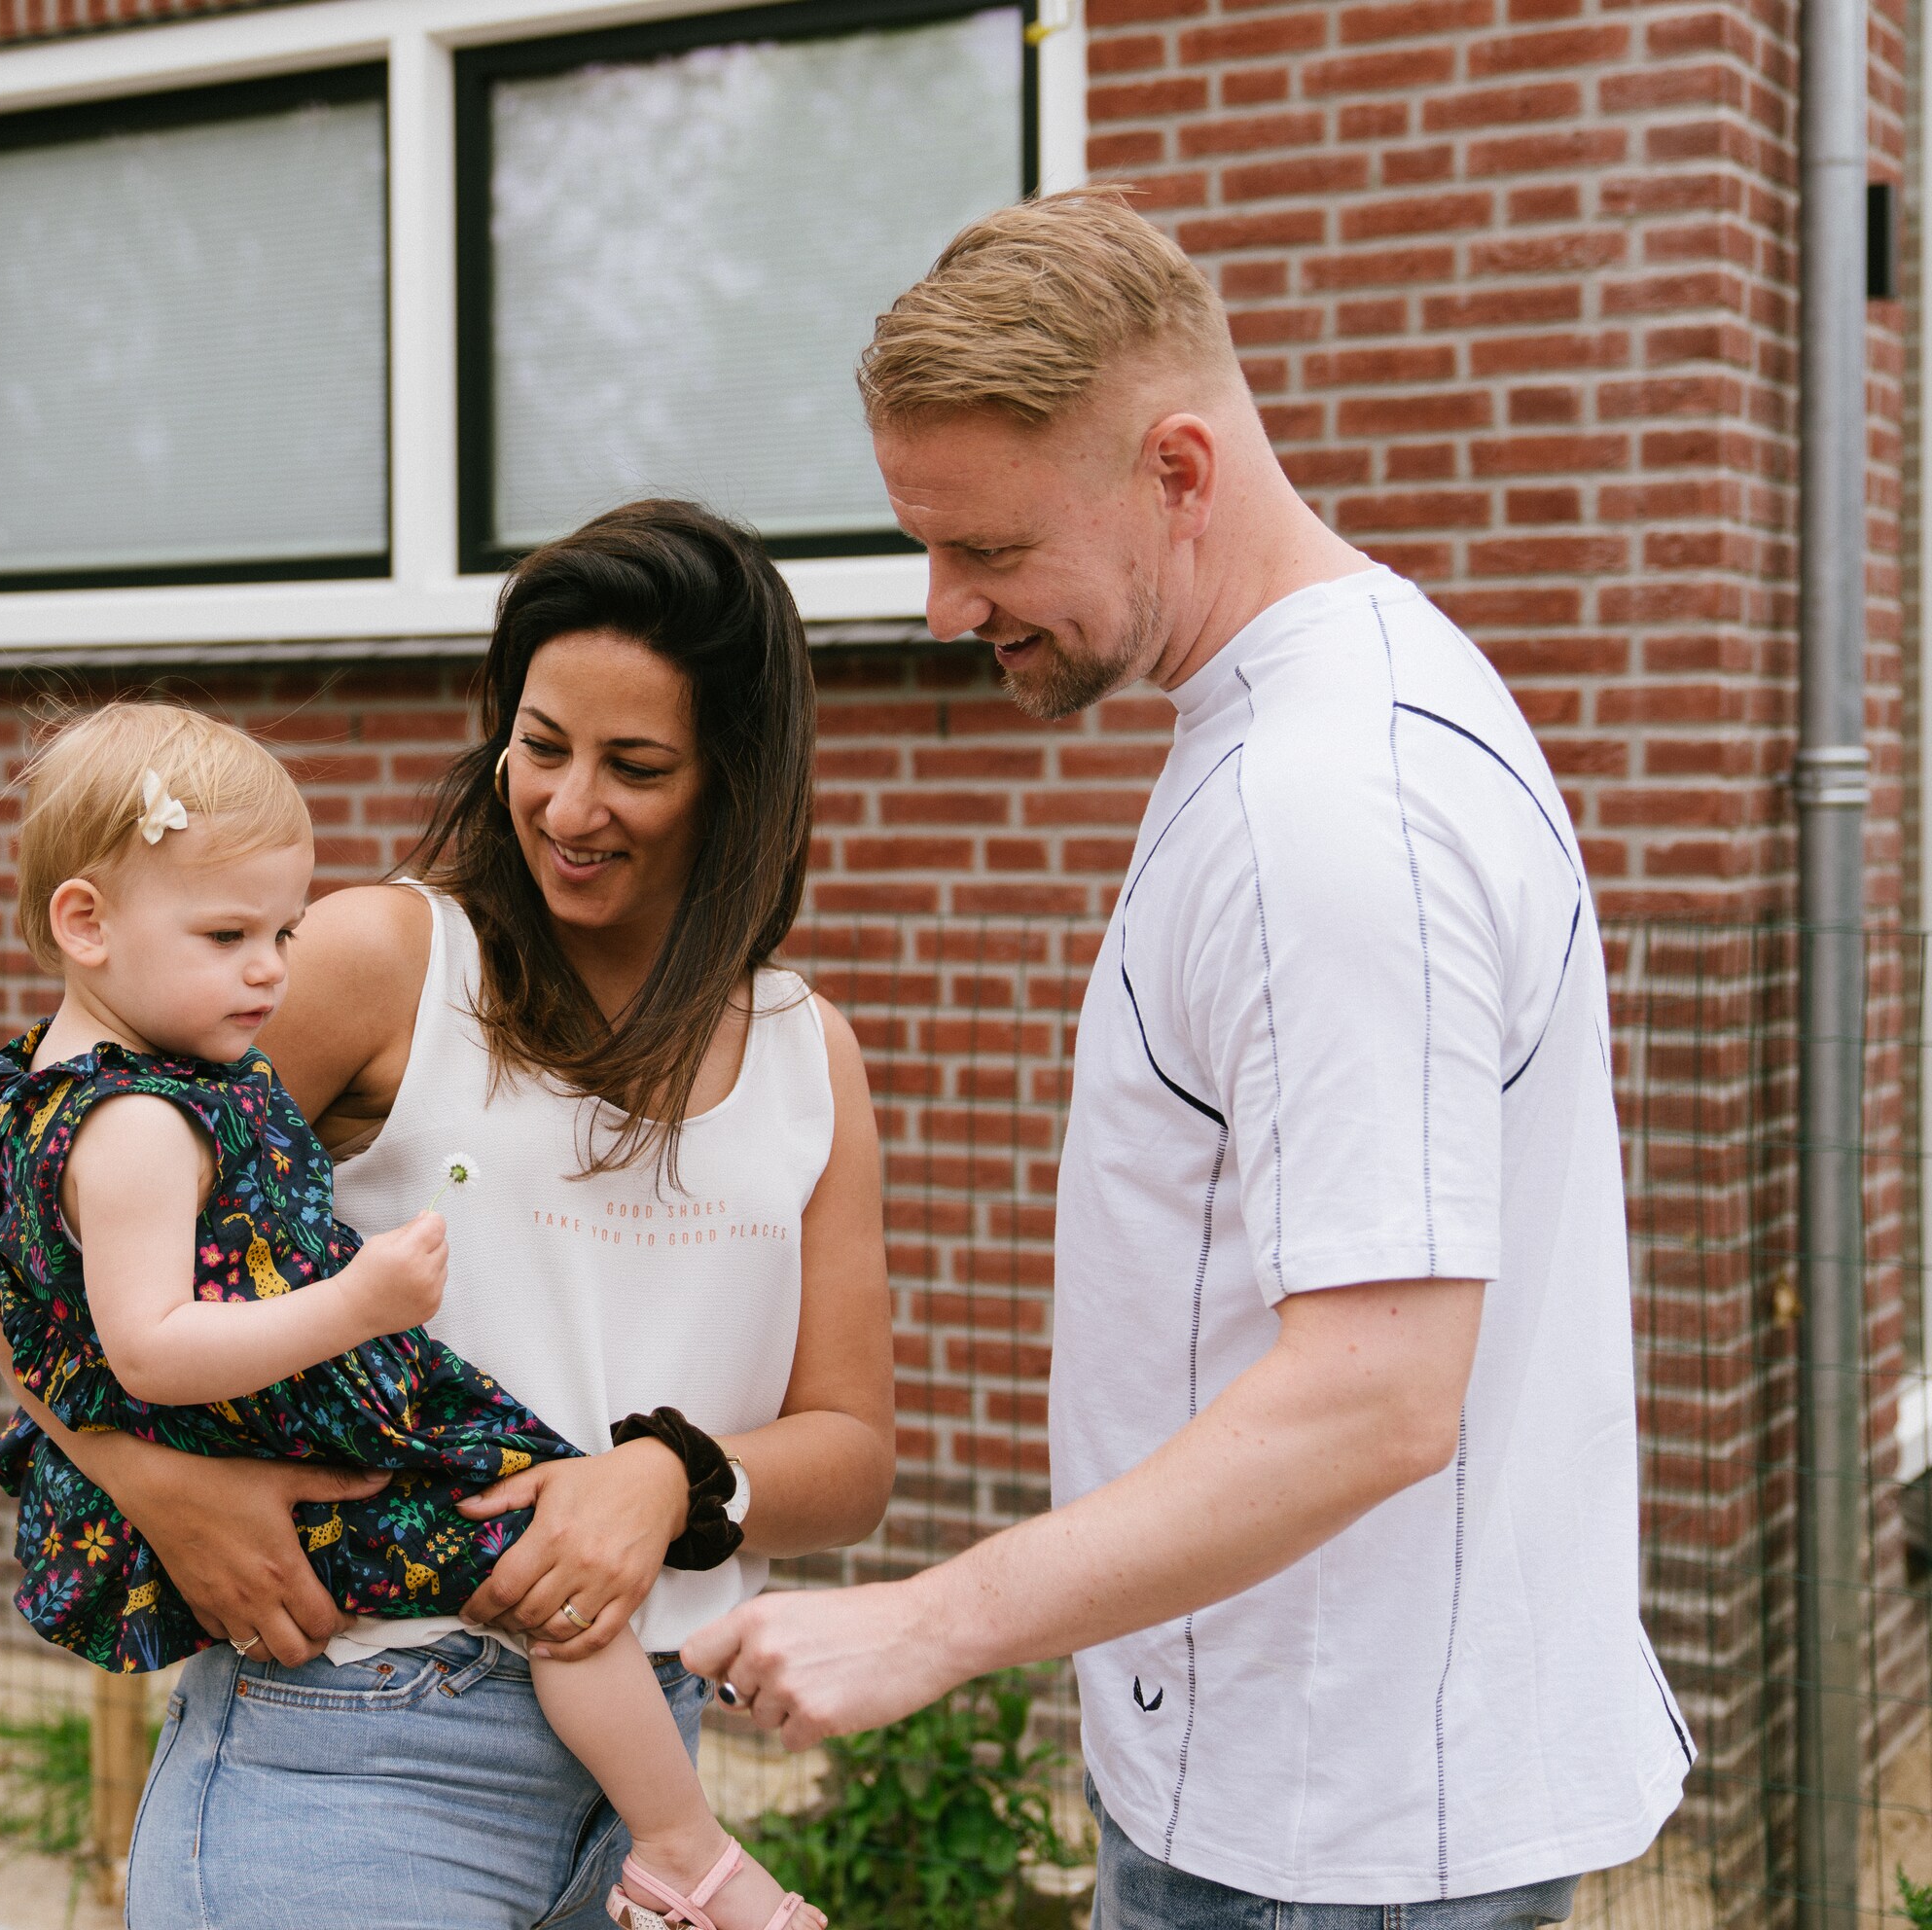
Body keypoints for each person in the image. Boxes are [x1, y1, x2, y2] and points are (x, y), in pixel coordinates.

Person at [686, 190, 1692, 1919]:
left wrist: (922, 1625)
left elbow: (1378, 1392)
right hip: (1308, 1778)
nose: (943, 607)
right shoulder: (1321, 716)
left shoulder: (1333, 813)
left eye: (989, 551)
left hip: (1332, 1826)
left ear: (1176, 470)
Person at [0, 501, 891, 1930]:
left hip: (642, 1772)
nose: (571, 809)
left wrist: (667, 1480)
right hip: (355, 1749)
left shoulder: (807, 1053)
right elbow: (8, 1243)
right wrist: (151, 1482)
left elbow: (852, 1454)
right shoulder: (381, 956)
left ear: (737, 781)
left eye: (636, 767)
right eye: (542, 744)